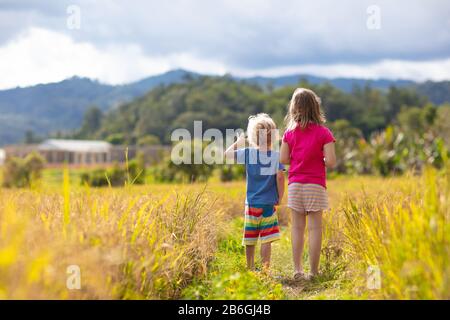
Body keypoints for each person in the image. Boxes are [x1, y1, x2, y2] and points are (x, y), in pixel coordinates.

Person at [280, 88, 336, 280]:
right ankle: (313, 272)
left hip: (295, 184)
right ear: (315, 107)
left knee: (297, 228)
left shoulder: (289, 133)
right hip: (316, 185)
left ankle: (297, 270)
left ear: (294, 108)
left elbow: (284, 159)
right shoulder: (324, 133)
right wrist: (317, 160)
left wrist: (299, 159)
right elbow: (331, 161)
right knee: (315, 229)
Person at [224, 113, 285, 270]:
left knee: (250, 238)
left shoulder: (248, 153)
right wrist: (280, 197)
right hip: (268, 204)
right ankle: (265, 271)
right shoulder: (277, 156)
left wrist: (238, 142)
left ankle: (250, 268)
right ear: (273, 137)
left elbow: (227, 155)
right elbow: (280, 177)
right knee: (266, 239)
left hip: (251, 204)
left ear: (253, 137)